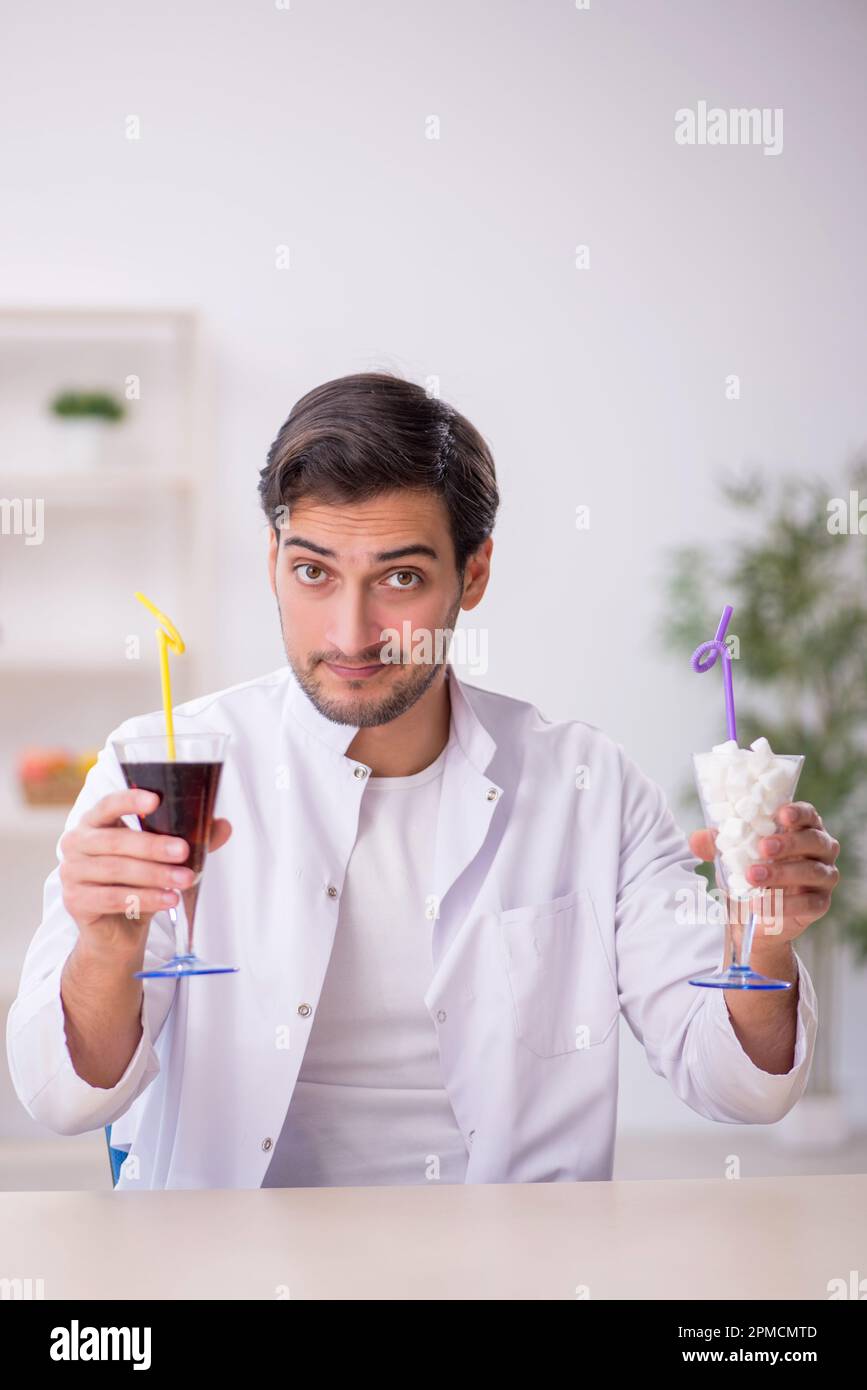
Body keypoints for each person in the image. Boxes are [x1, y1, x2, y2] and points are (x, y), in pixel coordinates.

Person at [6, 373, 841, 1189]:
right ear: (272, 559)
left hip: (510, 1267)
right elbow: (63, 1099)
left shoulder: (588, 786)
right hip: (228, 1265)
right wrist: (107, 952)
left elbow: (738, 1088)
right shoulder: (164, 764)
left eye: (399, 578)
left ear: (471, 574)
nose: (351, 631)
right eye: (313, 572)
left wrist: (761, 941)